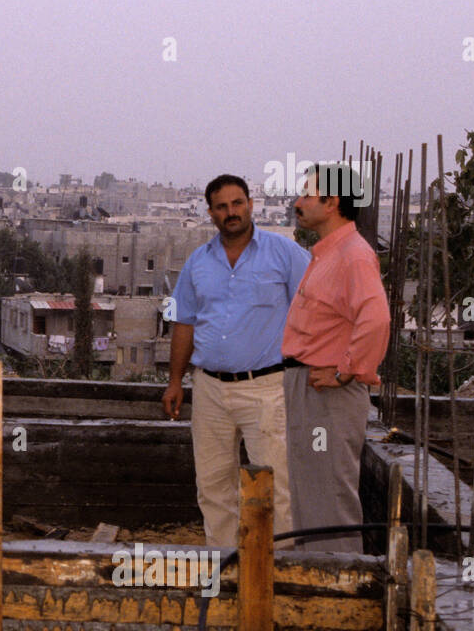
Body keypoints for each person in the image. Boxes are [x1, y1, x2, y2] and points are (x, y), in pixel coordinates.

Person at [163, 174, 310, 547]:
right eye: (222, 206)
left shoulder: (284, 253)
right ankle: (225, 569)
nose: (231, 212)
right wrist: (176, 381)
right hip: (210, 389)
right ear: (210, 213)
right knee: (213, 485)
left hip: (266, 388)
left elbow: (314, 306)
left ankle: (280, 575)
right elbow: (183, 322)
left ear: (250, 204)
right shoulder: (198, 262)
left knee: (275, 484)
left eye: (237, 203)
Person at [281, 163, 390, 553]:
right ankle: (317, 587)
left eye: (307, 195)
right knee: (310, 494)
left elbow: (376, 319)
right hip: (310, 389)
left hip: (328, 396)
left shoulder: (353, 255)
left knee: (329, 499)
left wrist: (347, 373)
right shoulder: (329, 254)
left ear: (332, 202)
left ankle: (341, 589)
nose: (298, 203)